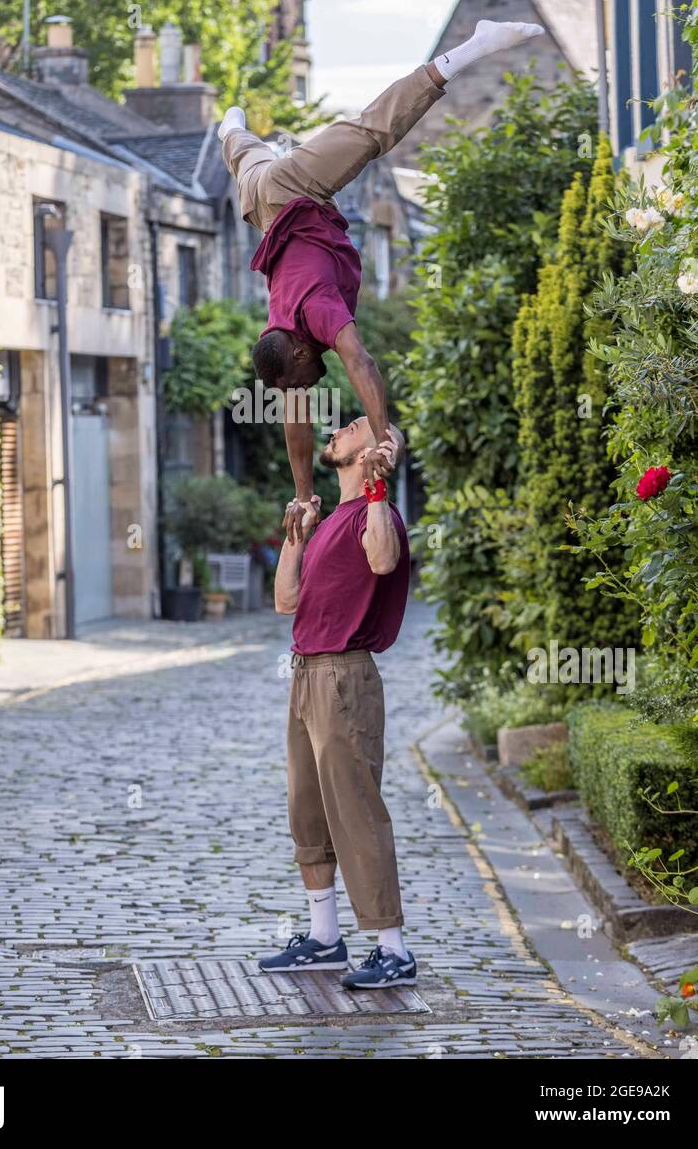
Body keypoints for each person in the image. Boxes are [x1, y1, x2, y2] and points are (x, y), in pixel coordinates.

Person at [219, 20, 544, 542]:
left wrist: (384, 433)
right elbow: (294, 423)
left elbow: (361, 361)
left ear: (299, 356)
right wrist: (302, 493)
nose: (307, 390)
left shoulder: (315, 313)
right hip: (256, 202)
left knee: (373, 132)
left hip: (289, 189)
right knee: (241, 156)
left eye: (303, 382)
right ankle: (230, 128)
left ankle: (473, 46)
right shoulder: (280, 346)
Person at [258, 416, 416, 989]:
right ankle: (325, 939)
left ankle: (393, 949)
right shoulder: (330, 523)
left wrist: (377, 488)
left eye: (353, 426)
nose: (338, 428)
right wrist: (298, 532)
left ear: (371, 451)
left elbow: (381, 560)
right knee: (307, 810)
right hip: (304, 672)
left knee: (356, 809)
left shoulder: (379, 514)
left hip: (345, 677)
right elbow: (285, 599)